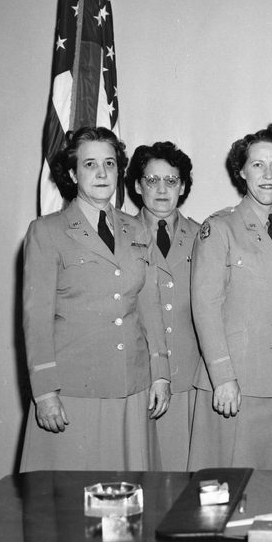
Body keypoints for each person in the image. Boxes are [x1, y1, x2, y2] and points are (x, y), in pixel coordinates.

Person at [20, 127, 169, 472]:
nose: (102, 173)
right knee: (72, 505)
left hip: (131, 386)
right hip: (73, 391)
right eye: (90, 164)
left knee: (130, 500)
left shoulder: (138, 229)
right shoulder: (47, 232)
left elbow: (150, 306)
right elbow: (36, 319)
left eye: (110, 163)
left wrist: (160, 373)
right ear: (72, 173)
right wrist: (44, 393)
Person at [188, 123, 272, 469]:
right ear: (241, 171)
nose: (268, 175)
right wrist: (223, 378)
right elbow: (205, 307)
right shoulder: (220, 228)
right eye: (257, 165)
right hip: (236, 383)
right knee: (228, 492)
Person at [126, 142, 201, 471]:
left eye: (171, 181)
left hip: (188, 376)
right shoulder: (117, 236)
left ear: (182, 186)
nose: (161, 189)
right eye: (152, 180)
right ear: (137, 185)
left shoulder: (204, 236)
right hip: (139, 375)